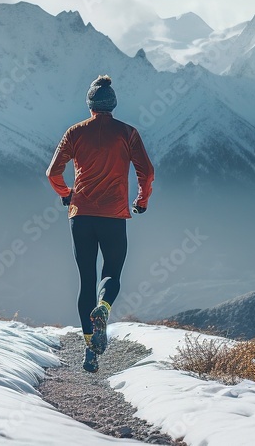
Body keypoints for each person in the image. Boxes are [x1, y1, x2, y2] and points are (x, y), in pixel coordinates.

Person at [46, 75, 154, 372]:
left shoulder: (74, 133)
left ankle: (91, 350)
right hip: (114, 215)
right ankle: (104, 309)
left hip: (80, 215)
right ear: (113, 104)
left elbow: (52, 173)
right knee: (112, 272)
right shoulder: (128, 134)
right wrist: (142, 200)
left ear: (90, 104)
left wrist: (66, 193)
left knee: (86, 281)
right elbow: (147, 172)